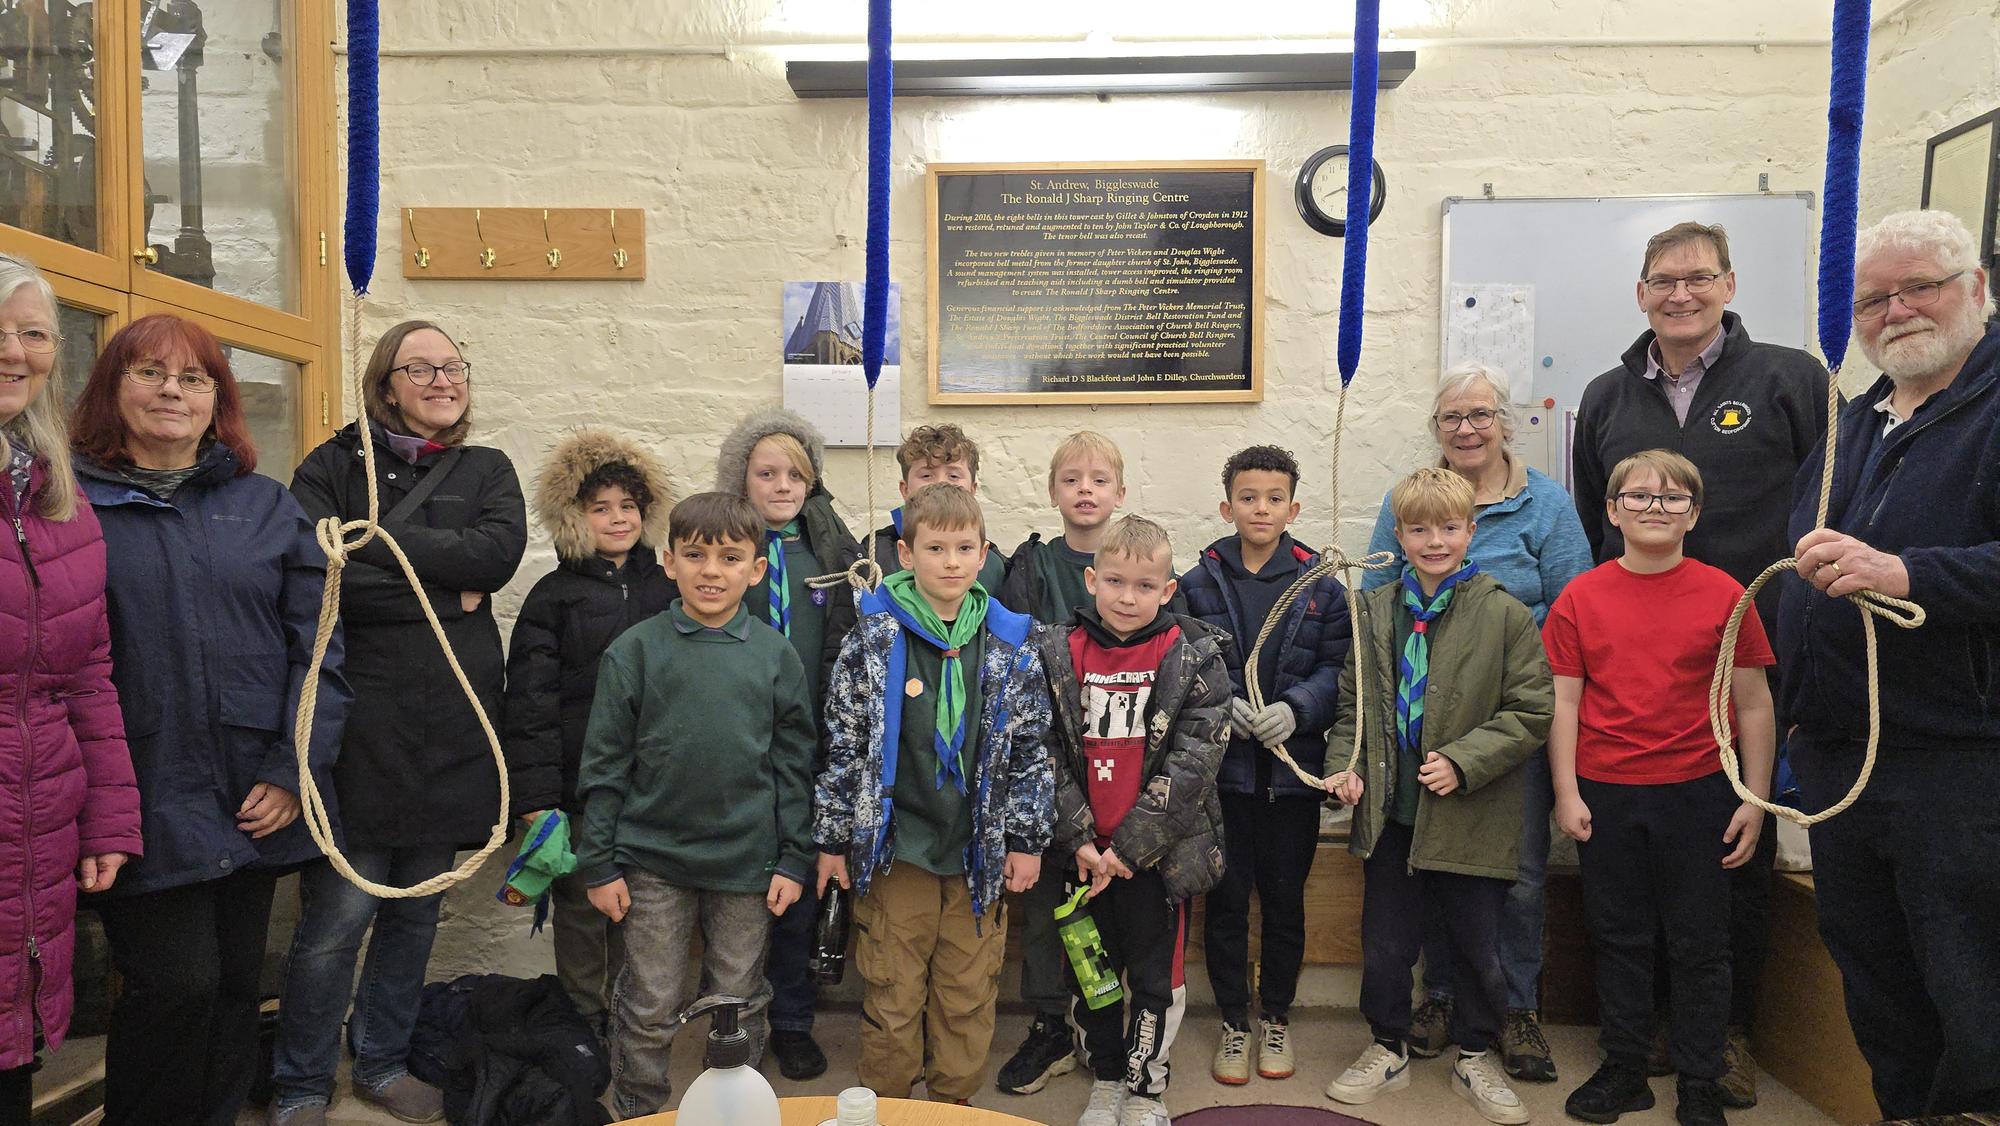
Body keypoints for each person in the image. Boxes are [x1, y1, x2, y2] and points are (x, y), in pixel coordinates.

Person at [67, 313, 348, 1126]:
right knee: (173, 986)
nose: (171, 392)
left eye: (194, 379)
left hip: (253, 794)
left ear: (218, 401)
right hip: (140, 795)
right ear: (111, 389)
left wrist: (293, 768)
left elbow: (319, 649)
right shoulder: (71, 505)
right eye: (149, 373)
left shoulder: (264, 507)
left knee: (233, 986)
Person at [1570, 221, 1827, 1101]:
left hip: (1757, 651)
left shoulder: (1792, 378)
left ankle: (1722, 1038)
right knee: (1636, 878)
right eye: (1663, 280)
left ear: (1728, 283)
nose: (1681, 294)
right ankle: (1638, 1039)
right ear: (1640, 292)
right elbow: (1593, 522)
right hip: (1638, 668)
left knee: (1732, 855)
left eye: (1699, 278)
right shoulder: (1606, 396)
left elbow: (1828, 505)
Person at [272, 320, 527, 1125]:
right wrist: (441, 594)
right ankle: (302, 1083)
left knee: (417, 909)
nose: (442, 380)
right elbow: (316, 581)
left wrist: (377, 550)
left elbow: (493, 559)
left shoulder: (488, 468)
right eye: (421, 368)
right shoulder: (330, 468)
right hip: (360, 729)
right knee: (336, 921)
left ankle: (380, 1062)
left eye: (453, 365)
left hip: (452, 727)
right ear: (386, 382)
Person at [1778, 209, 2000, 1117]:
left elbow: (1899, 572)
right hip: (1844, 756)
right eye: (1874, 298)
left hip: (1956, 762)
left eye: (1921, 287)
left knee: (1974, 992)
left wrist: (1909, 572)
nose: (1896, 310)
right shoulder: (1857, 419)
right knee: (1877, 984)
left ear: (1977, 289)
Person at [1363, 362, 1591, 1081]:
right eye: (1452, 418)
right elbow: (1376, 600)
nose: (1466, 429)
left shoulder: (1545, 507)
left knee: (1515, 875)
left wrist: (1495, 650)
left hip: (1506, 725)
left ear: (1505, 423)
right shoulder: (1407, 501)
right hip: (1423, 724)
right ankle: (1440, 999)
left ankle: (1514, 1007)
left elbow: (1574, 609)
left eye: (1480, 415)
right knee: (1430, 865)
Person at [1546, 450, 1775, 1126]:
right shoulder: (1580, 597)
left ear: (1694, 515)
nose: (1655, 507)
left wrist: (1753, 802)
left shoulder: (1727, 595)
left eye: (1673, 498)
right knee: (1619, 936)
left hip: (1701, 790)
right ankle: (1624, 1068)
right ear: (1612, 510)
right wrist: (1566, 790)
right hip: (1608, 790)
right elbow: (1564, 703)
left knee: (1702, 941)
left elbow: (1755, 705)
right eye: (1639, 497)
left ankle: (1701, 1080)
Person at [573, 491, 817, 1118]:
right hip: (652, 861)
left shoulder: (774, 656)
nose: (712, 571)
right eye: (696, 555)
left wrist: (795, 857)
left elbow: (794, 766)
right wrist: (598, 864)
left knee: (737, 999)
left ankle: (730, 1110)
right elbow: (604, 766)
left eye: (730, 557)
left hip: (748, 864)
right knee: (651, 1000)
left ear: (756, 569)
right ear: (669, 561)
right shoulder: (635, 652)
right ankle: (640, 1110)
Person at [814, 483, 1054, 1103]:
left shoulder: (1009, 643)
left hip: (976, 852)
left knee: (967, 996)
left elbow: (1030, 750)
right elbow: (844, 744)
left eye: (964, 548)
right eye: (935, 546)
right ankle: (890, 1107)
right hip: (901, 853)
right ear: (904, 553)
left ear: (983, 556)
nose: (950, 561)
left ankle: (952, 1107)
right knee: (893, 995)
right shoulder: (873, 638)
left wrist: (1026, 840)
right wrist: (834, 841)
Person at [1326, 467, 1551, 1126]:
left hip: (1470, 813)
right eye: (1419, 528)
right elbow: (1353, 704)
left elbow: (1532, 709)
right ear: (1398, 535)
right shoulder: (1371, 612)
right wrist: (1345, 765)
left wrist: (1463, 760)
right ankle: (1387, 1044)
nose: (1433, 540)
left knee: (1477, 942)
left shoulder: (1505, 614)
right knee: (1387, 941)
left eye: (1448, 527)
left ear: (1470, 532)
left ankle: (1478, 1051)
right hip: (1392, 814)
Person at [0, 253, 142, 1123]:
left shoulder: (56, 498)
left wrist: (107, 821)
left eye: (33, 333)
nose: (14, 352)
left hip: (37, 827)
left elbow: (87, 674)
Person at [1038, 515, 1227, 1126]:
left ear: (1168, 590)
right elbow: (1038, 752)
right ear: (1092, 580)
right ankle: (1108, 1075)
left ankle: (1146, 1085)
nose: (1127, 597)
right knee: (1091, 972)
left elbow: (1195, 761)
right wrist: (1081, 842)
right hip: (1083, 859)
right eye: (1115, 581)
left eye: (1145, 586)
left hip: (1153, 859)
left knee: (1155, 977)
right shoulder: (1056, 652)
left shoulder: (1194, 656)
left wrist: (1129, 849)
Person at [1178, 444, 1349, 1085]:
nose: (1261, 508)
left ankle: (1275, 1016)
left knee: (1284, 904)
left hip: (1290, 779)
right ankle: (1233, 1022)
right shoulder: (1197, 584)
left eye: (1274, 498)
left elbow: (1338, 670)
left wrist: (1298, 710)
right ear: (1227, 506)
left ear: (1293, 507)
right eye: (1248, 497)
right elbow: (1186, 666)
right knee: (1225, 905)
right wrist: (1223, 710)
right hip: (1223, 780)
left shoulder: (1321, 586)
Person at [502, 427, 675, 1037]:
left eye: (628, 506)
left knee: (648, 906)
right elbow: (529, 703)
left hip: (656, 784)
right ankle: (585, 1019)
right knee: (581, 908)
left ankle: (639, 1019)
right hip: (579, 785)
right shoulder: (553, 597)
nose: (617, 518)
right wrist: (536, 799)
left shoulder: (669, 588)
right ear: (574, 516)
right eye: (600, 508)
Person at [714, 407, 864, 1081]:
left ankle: (796, 1019)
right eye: (765, 473)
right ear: (740, 480)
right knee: (738, 888)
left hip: (809, 743)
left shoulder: (830, 548)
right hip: (737, 742)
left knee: (799, 885)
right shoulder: (723, 547)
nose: (781, 485)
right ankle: (732, 1015)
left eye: (795, 474)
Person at [994, 430, 1129, 1097]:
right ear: (1053, 492)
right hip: (1048, 759)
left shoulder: (1138, 562)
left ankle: (1107, 1019)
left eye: (1099, 479)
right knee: (1052, 897)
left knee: (1116, 897)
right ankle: (1049, 1021)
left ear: (1119, 494)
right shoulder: (1032, 564)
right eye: (1071, 479)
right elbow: (1014, 656)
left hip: (1121, 763)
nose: (1085, 489)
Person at [867, 423, 1009, 599]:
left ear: (972, 490)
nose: (940, 484)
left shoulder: (993, 566)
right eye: (927, 475)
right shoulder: (873, 556)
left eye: (954, 476)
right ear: (905, 489)